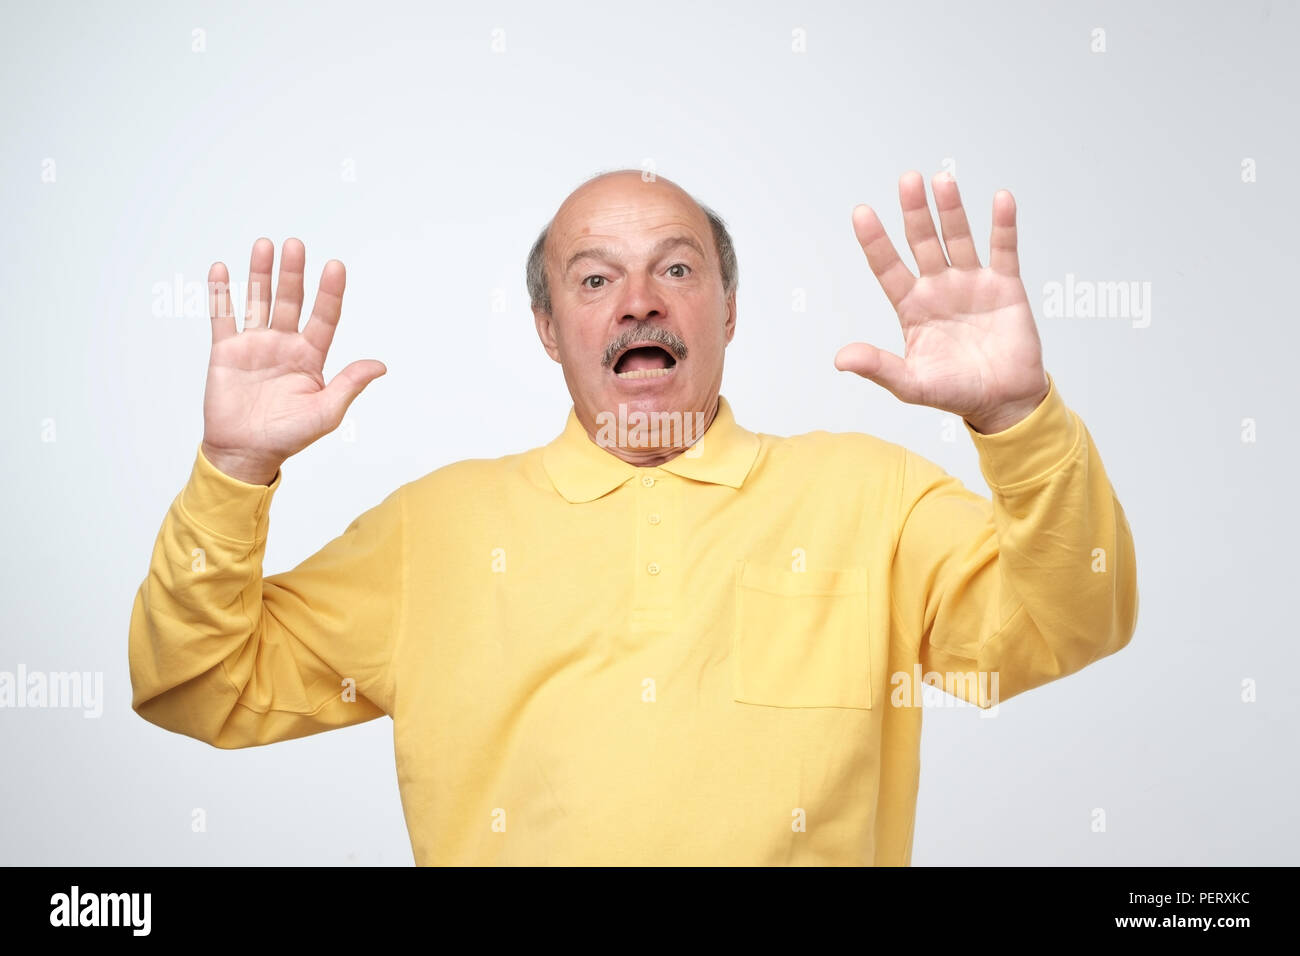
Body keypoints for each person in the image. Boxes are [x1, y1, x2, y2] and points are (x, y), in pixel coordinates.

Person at [128, 168, 1139, 865]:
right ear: (548, 328)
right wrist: (233, 466)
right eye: (595, 277)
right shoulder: (432, 533)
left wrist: (1016, 417)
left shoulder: (870, 497)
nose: (638, 302)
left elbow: (1070, 620)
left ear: (728, 309)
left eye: (678, 268)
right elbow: (193, 681)